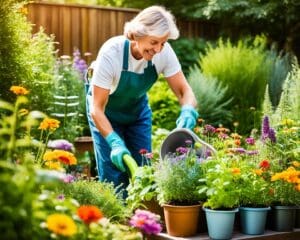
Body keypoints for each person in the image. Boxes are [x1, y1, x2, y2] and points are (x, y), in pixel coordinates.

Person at [86, 5, 198, 194]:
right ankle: (115, 221)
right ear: (138, 34)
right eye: (154, 42)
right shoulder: (111, 53)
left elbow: (184, 91)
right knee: (114, 174)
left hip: (137, 113)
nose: (158, 49)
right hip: (105, 115)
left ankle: (144, 221)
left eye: (162, 43)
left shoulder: (164, 53)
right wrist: (114, 142)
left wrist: (188, 109)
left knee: (144, 169)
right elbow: (97, 108)